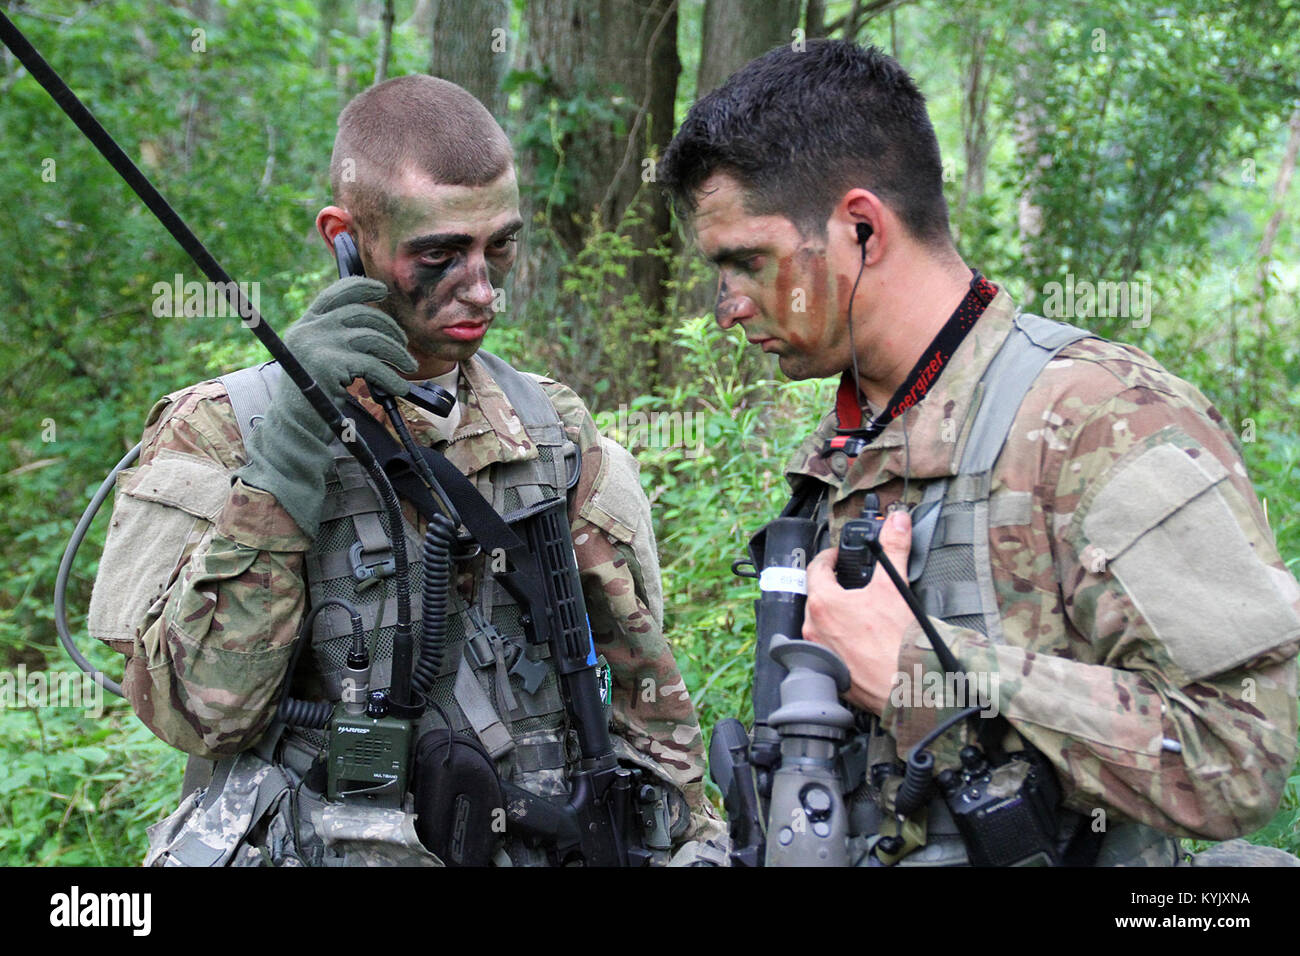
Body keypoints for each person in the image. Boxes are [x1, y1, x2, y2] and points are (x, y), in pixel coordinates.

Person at [660, 39, 1300, 866]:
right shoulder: (849, 446)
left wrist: (928, 670)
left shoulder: (1101, 419)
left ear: (860, 228)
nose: (729, 308)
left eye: (749, 262)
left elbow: (1234, 756)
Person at [90, 74, 724, 866]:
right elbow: (201, 717)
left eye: (501, 247)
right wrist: (288, 454)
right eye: (440, 254)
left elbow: (641, 682)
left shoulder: (551, 428)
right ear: (345, 238)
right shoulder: (223, 431)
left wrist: (689, 838)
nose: (483, 288)